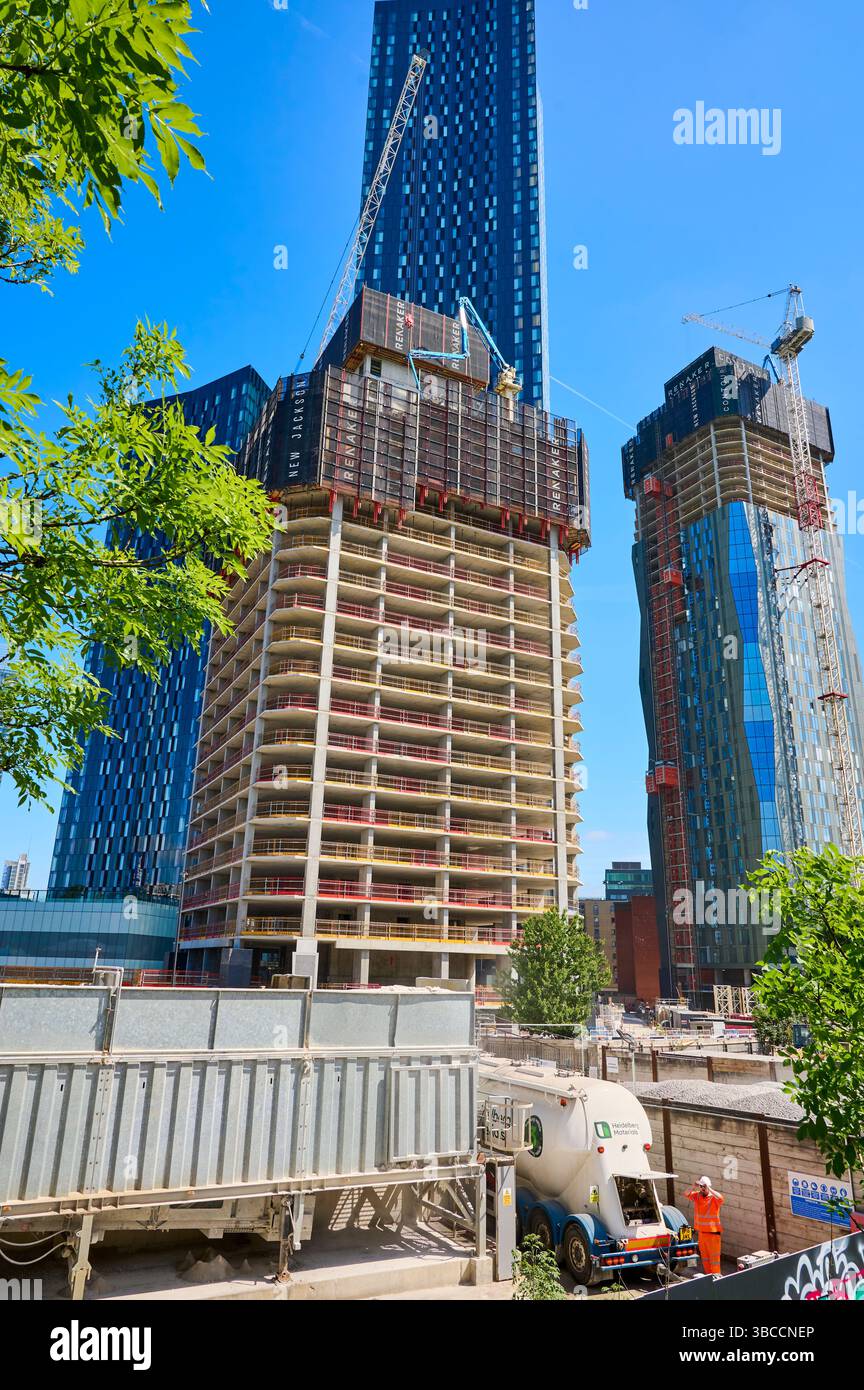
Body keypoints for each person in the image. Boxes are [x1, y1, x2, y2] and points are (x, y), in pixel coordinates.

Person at [685, 1175, 725, 1275]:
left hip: (713, 1234)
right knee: (705, 1259)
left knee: (714, 1259)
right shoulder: (697, 1196)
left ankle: (716, 1279)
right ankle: (708, 1277)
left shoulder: (714, 1198)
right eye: (701, 1187)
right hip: (702, 1234)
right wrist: (694, 1186)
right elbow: (686, 1193)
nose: (702, 1189)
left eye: (704, 1187)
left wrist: (709, 1188)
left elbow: (721, 1198)